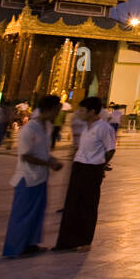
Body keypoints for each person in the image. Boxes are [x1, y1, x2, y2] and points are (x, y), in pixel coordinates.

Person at [2, 95, 64, 258]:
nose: (58, 113)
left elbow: (42, 152)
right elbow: (25, 156)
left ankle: (30, 244)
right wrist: (49, 163)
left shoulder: (47, 127)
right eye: (56, 109)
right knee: (22, 213)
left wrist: (50, 160)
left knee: (37, 212)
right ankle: (15, 248)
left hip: (41, 177)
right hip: (26, 177)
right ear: (49, 109)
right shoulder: (29, 128)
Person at [53, 96, 115, 252]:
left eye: (82, 110)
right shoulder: (86, 126)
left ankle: (84, 241)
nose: (79, 113)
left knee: (87, 205)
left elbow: (110, 149)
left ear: (92, 111)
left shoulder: (103, 128)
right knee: (72, 204)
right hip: (79, 166)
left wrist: (101, 166)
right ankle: (66, 241)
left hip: (92, 169)